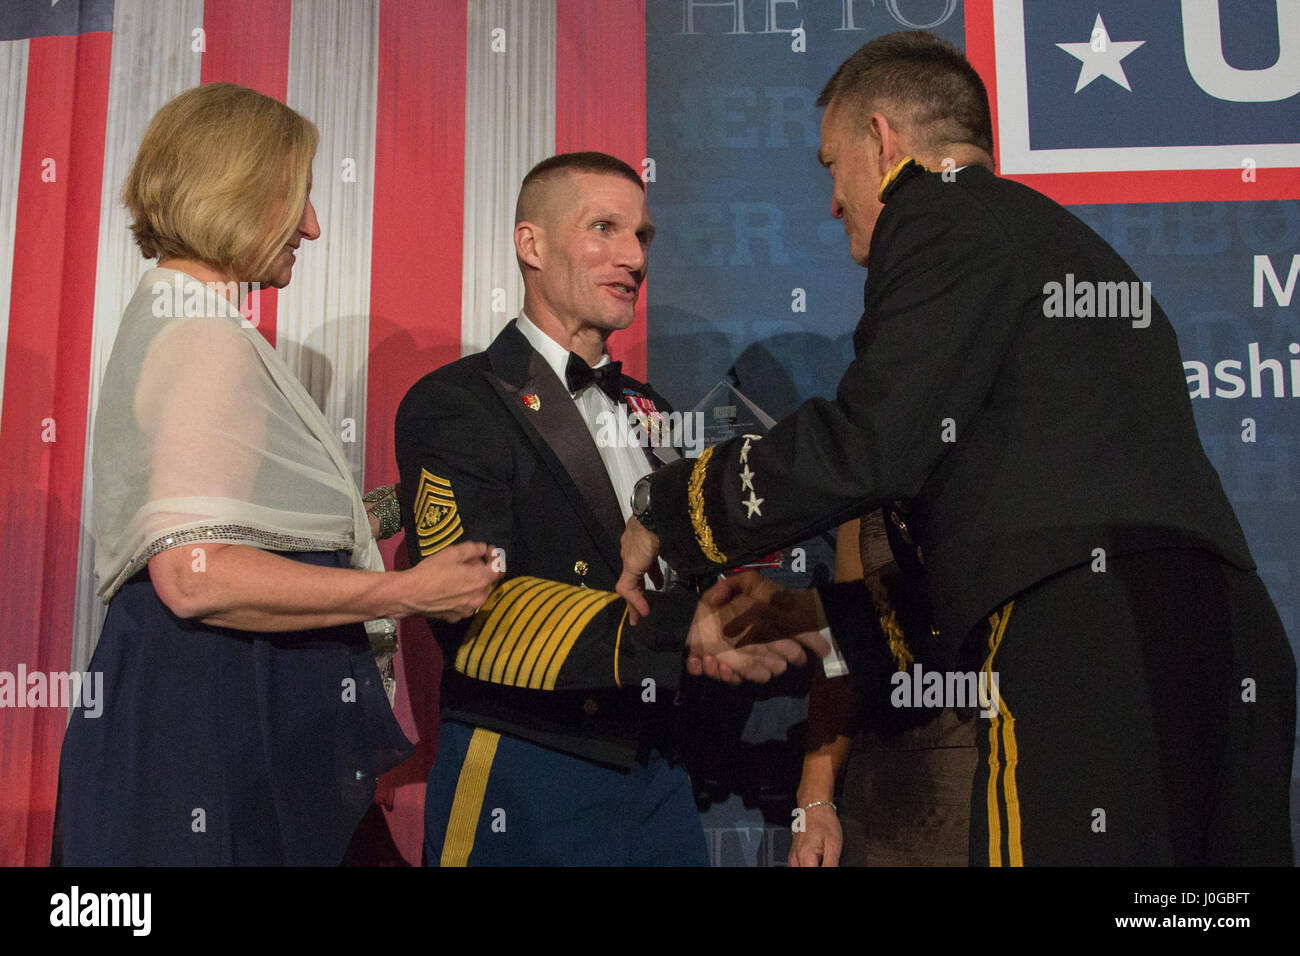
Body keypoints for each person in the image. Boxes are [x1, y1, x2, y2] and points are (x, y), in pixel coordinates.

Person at [618, 32, 1296, 866]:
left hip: (1088, 644)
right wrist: (817, 615)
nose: (833, 203)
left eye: (832, 166)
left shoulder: (935, 213)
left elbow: (872, 444)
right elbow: (1001, 518)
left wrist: (674, 509)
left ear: (881, 139)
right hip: (1224, 643)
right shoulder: (1063, 245)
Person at [52, 83, 500, 866]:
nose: (313, 226)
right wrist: (407, 591)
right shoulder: (205, 338)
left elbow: (237, 528)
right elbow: (196, 576)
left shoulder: (174, 316)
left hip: (206, 713)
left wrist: (384, 512)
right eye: (296, 197)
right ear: (236, 190)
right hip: (218, 727)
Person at [395, 152, 817, 866]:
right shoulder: (456, 403)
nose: (633, 256)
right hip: (524, 771)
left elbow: (682, 576)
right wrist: (684, 634)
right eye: (604, 228)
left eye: (642, 236)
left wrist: (742, 610)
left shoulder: (652, 410)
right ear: (531, 244)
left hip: (660, 771)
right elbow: (470, 609)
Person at [790, 514, 975, 867]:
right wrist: (814, 801)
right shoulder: (871, 481)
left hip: (1003, 778)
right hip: (884, 800)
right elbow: (843, 648)